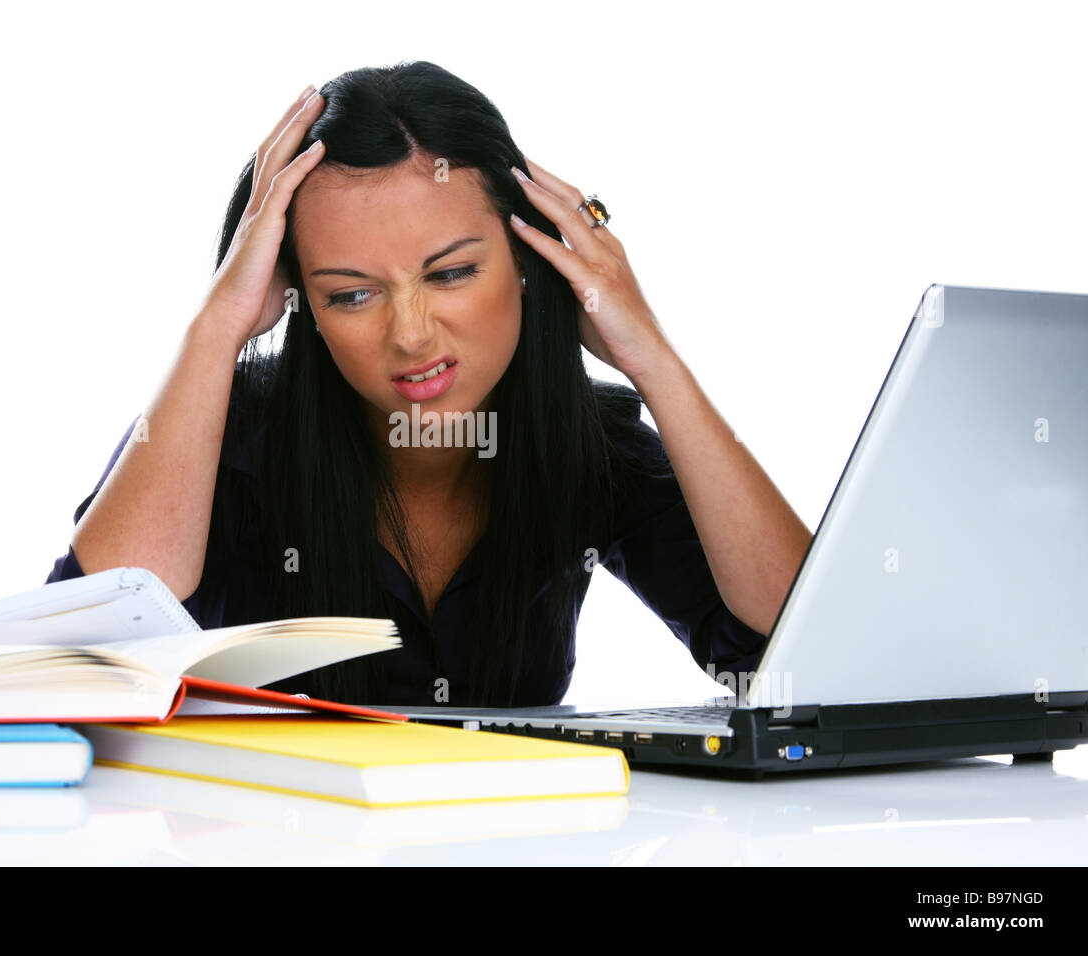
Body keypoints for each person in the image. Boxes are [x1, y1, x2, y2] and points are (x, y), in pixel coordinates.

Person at [45, 60, 812, 708]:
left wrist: (654, 358)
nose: (410, 334)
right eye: (349, 294)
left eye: (450, 273)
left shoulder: (589, 446)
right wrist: (216, 328)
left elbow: (800, 655)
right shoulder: (230, 432)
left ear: (528, 259)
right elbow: (80, 659)